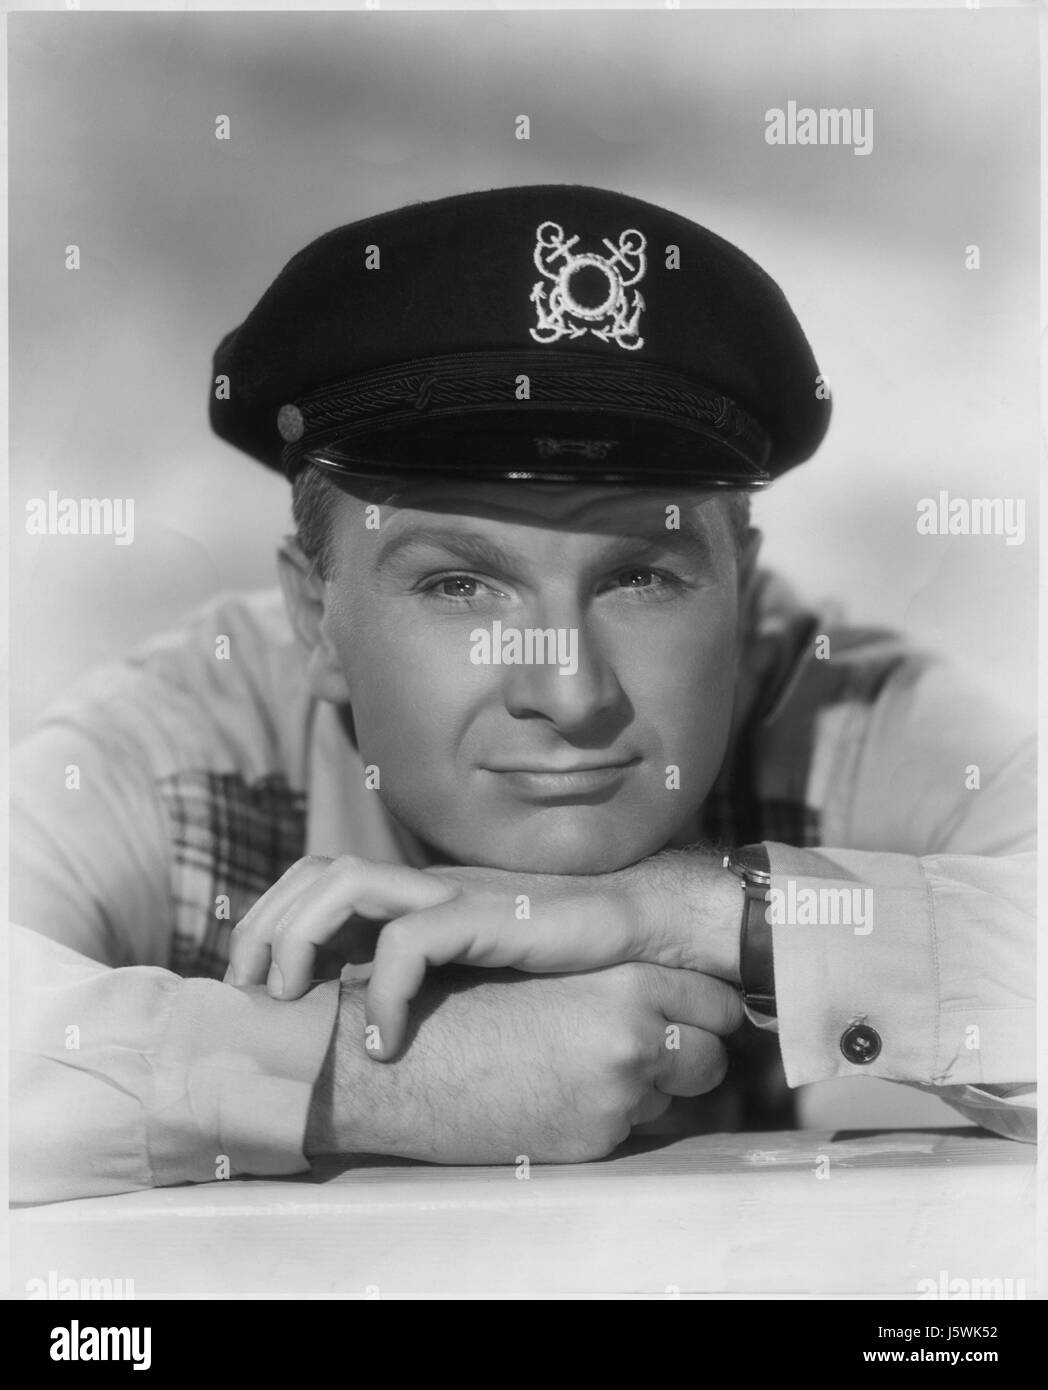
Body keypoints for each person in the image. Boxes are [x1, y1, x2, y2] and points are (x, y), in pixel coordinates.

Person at [10, 186, 1034, 1206]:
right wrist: (369, 1077)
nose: (569, 691)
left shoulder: (837, 727)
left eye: (641, 576)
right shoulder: (181, 754)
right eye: (458, 584)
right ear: (315, 619)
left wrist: (701, 912)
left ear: (740, 588)